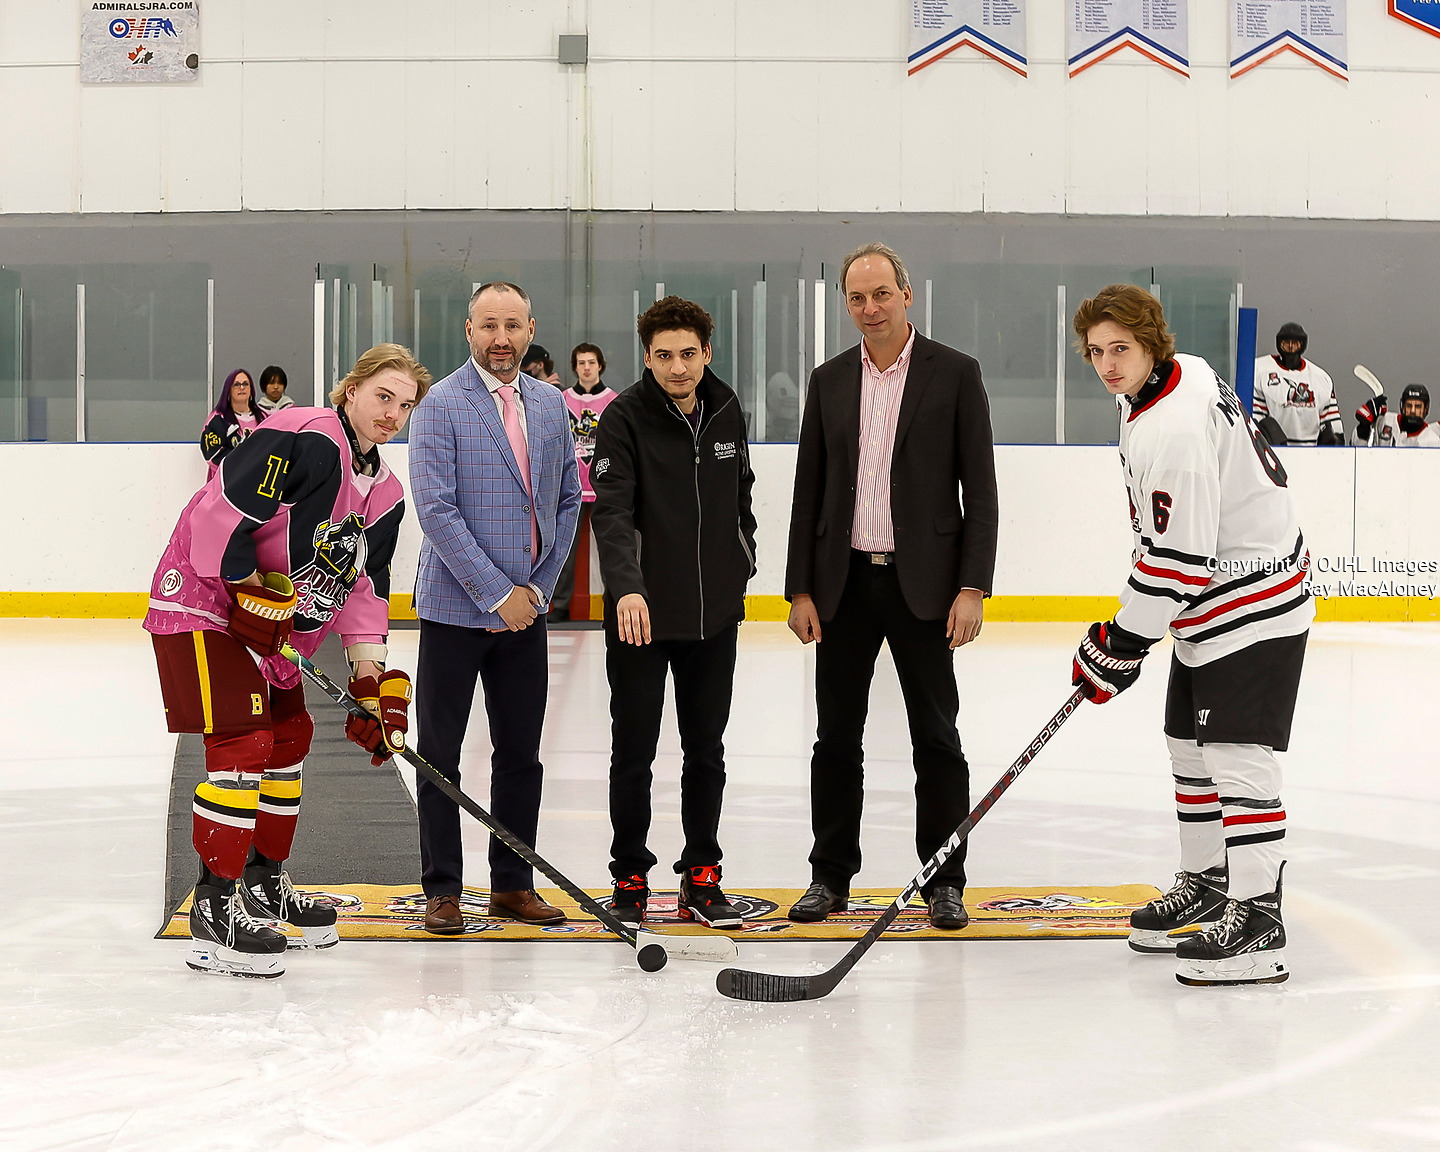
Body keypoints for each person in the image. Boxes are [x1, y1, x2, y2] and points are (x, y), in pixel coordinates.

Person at [145, 344, 431, 978]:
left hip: (274, 633)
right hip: (207, 606)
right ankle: (215, 906)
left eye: (405, 405)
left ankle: (264, 884)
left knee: (290, 741)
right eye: (383, 396)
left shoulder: (385, 492)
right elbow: (225, 512)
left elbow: (364, 589)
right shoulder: (299, 434)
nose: (392, 414)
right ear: (350, 390)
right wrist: (246, 589)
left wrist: (370, 680)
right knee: (243, 745)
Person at [1069, 284, 1312, 988]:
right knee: (1188, 743)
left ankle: (1260, 917)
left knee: (1237, 754)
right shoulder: (1183, 376)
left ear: (1152, 343)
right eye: (1095, 352)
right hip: (1212, 599)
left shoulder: (1170, 428)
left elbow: (1178, 557)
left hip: (1251, 602)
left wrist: (1122, 639)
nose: (1108, 364)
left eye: (1121, 348)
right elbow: (1173, 546)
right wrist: (1131, 634)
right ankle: (1207, 882)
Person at [784, 243, 999, 931]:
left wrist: (973, 587)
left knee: (937, 738)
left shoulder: (956, 374)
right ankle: (829, 877)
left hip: (927, 589)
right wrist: (800, 589)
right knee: (835, 741)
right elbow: (807, 491)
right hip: (842, 585)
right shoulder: (828, 380)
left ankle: (944, 882)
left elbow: (982, 493)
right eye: (856, 298)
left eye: (881, 294)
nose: (869, 309)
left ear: (908, 294)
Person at [408, 282, 582, 934]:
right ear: (469, 330)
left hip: (525, 615)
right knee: (441, 755)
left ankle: (512, 885)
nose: (501, 337)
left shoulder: (549, 404)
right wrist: (496, 594)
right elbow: (437, 511)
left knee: (520, 757)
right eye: (489, 326)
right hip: (456, 611)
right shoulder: (440, 406)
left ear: (530, 327)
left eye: (513, 325)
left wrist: (535, 591)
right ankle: (443, 890)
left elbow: (567, 500)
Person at [590, 298, 757, 928]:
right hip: (641, 616)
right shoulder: (625, 417)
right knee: (634, 750)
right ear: (647, 358)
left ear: (706, 352)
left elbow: (741, 492)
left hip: (714, 615)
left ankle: (701, 873)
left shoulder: (726, 407)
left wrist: (743, 558)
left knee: (705, 750)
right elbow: (611, 510)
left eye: (688, 354)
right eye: (664, 356)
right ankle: (630, 874)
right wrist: (627, 588)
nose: (677, 367)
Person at [552, 342, 619, 617]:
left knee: (612, 548)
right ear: (575, 367)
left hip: (604, 487)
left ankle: (614, 604)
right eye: (581, 363)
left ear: (600, 365)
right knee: (564, 550)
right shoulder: (562, 400)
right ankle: (560, 605)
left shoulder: (614, 401)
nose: (587, 368)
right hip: (570, 488)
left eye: (592, 362)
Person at [1252, 323, 1343, 446]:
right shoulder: (1260, 371)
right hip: (1275, 452)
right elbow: (1255, 421)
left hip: (1312, 455)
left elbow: (1334, 428)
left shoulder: (1321, 379)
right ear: (1279, 344)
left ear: (1303, 345)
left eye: (1295, 343)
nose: (1290, 347)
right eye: (1286, 343)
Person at [200, 369, 263, 473]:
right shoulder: (218, 419)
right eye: (236, 385)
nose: (242, 388)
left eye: (246, 384)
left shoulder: (263, 418)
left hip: (257, 480)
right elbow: (211, 455)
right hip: (226, 481)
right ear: (228, 390)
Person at [1354, 383, 1440, 447]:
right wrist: (1363, 427)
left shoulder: (1432, 441)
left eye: (1417, 407)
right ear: (1402, 407)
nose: (1413, 410)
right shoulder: (1385, 420)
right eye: (1409, 406)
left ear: (1426, 409)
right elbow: (1357, 450)